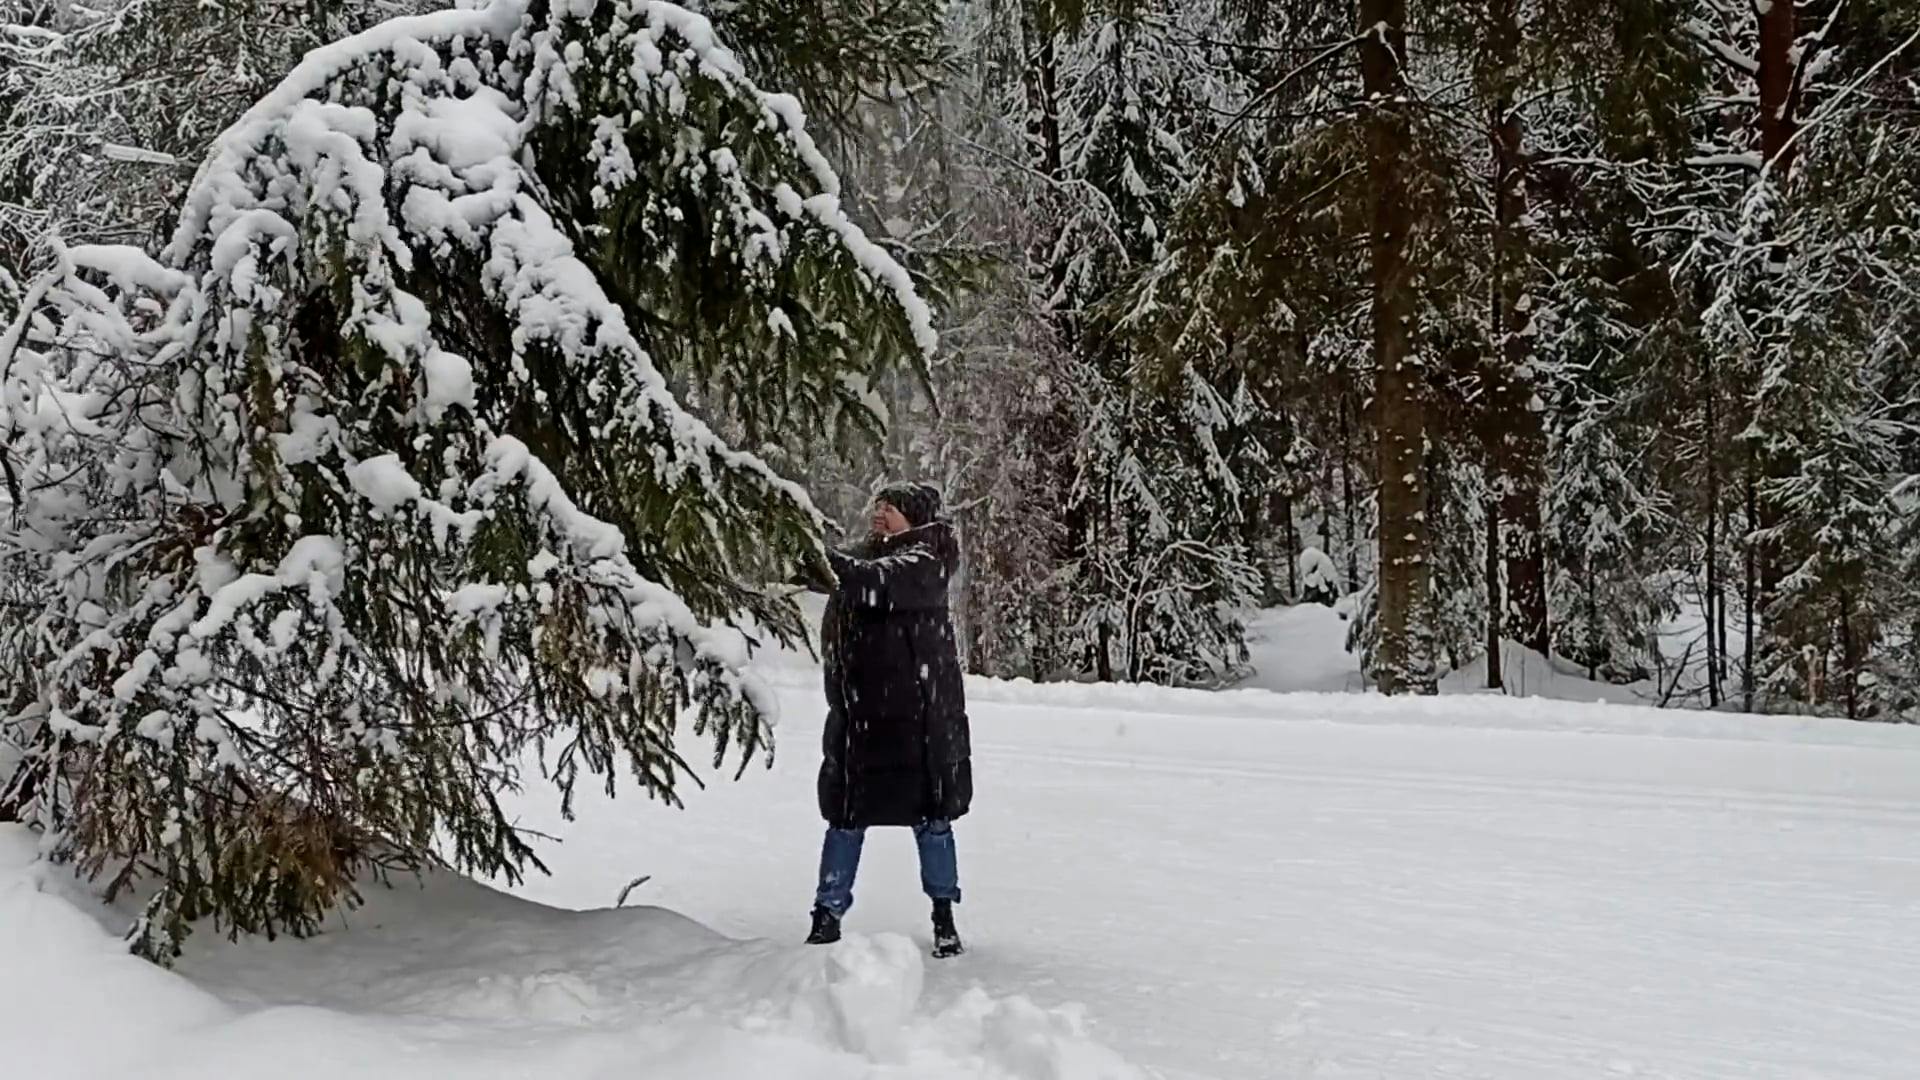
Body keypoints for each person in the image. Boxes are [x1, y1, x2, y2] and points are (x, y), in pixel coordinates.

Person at [808, 481, 972, 958]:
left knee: (933, 820)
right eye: (877, 505)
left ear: (914, 516)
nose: (879, 514)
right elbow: (840, 571)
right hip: (861, 715)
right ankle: (826, 914)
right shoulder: (867, 556)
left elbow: (869, 582)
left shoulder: (928, 558)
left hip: (920, 719)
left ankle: (944, 915)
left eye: (891, 508)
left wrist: (818, 554)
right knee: (845, 817)